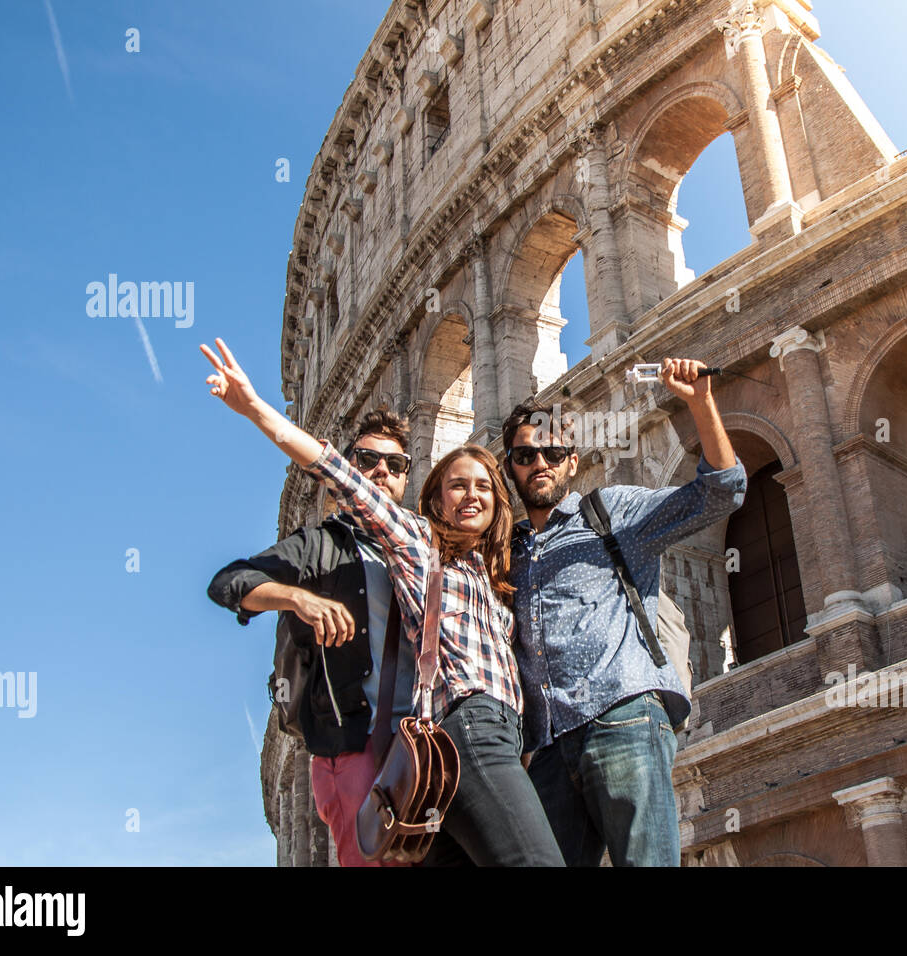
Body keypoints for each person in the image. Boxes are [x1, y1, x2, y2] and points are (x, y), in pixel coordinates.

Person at [200, 337, 564, 867]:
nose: (471, 495)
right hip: (440, 731)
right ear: (435, 499)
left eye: (484, 486)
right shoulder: (413, 542)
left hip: (476, 741)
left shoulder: (488, 573)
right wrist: (258, 410)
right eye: (457, 485)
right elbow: (333, 473)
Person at [501, 358, 746, 866]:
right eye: (526, 454)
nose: (540, 462)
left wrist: (700, 401)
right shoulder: (506, 555)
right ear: (510, 467)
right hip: (546, 748)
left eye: (552, 451)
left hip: (624, 718)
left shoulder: (611, 512)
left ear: (572, 460)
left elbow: (723, 490)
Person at [206, 410, 419, 867]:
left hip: (419, 747)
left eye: (395, 465)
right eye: (367, 460)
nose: (382, 472)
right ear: (345, 471)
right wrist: (296, 598)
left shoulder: (418, 548)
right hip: (356, 748)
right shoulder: (317, 544)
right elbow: (228, 582)